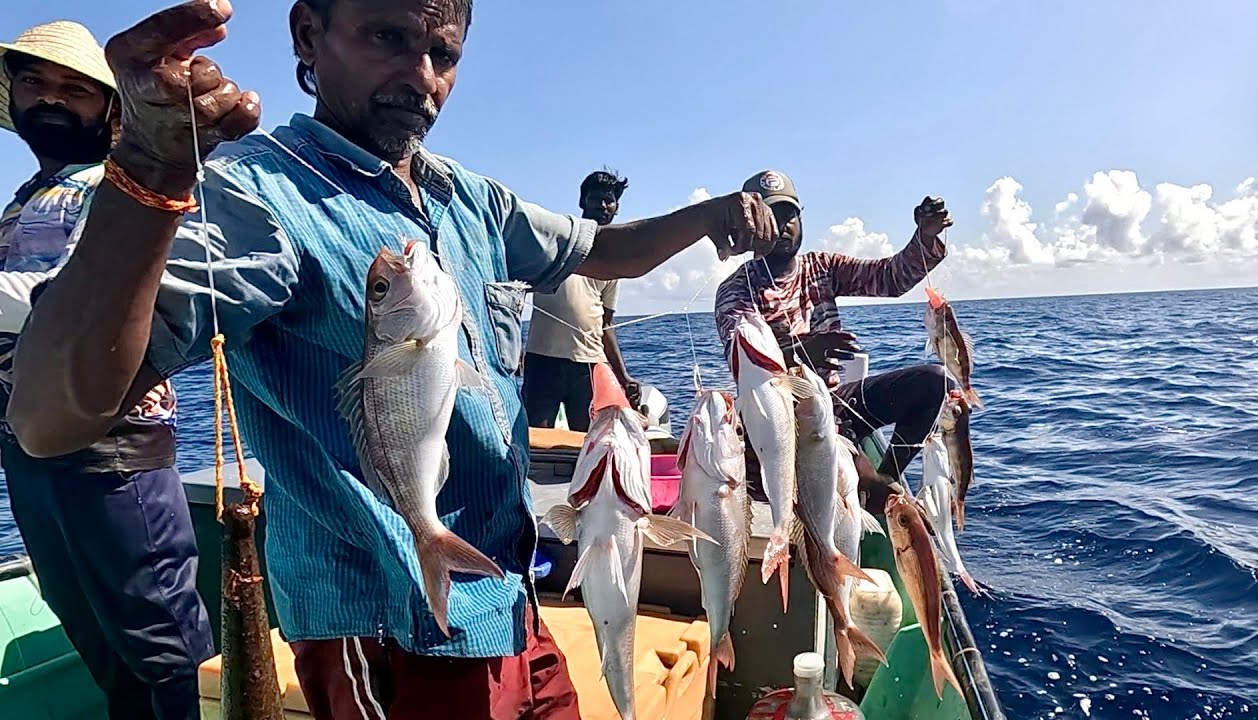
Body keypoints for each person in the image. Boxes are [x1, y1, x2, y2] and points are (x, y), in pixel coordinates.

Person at [7, 2, 777, 719]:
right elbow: (52, 417)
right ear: (308, 36)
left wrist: (706, 216)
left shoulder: (461, 195)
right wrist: (148, 168)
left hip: (501, 593)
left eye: (443, 52)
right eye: (387, 38)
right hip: (386, 624)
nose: (421, 75)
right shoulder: (257, 199)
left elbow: (601, 248)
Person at [0, 21, 212, 720]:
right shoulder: (35, 191)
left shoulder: (109, 190)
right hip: (29, 442)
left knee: (161, 643)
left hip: (110, 444)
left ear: (110, 107)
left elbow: (80, 299)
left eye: (73, 89)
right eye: (33, 82)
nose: (49, 98)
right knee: (91, 629)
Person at [714, 170, 954, 513]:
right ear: (748, 226)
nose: (782, 226)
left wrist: (924, 237)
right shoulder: (736, 291)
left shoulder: (822, 267)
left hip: (836, 404)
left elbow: (889, 279)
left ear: (800, 218)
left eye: (789, 215)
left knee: (935, 382)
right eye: (769, 217)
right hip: (779, 422)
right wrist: (800, 353)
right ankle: (871, 493)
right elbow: (745, 362)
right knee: (867, 492)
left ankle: (886, 478)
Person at [524, 169, 640, 430]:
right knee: (534, 437)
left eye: (609, 200)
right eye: (595, 198)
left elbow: (606, 325)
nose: (602, 205)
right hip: (543, 360)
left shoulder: (614, 260)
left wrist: (623, 376)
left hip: (589, 364)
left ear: (617, 208)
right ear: (582, 202)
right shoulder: (558, 240)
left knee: (589, 441)